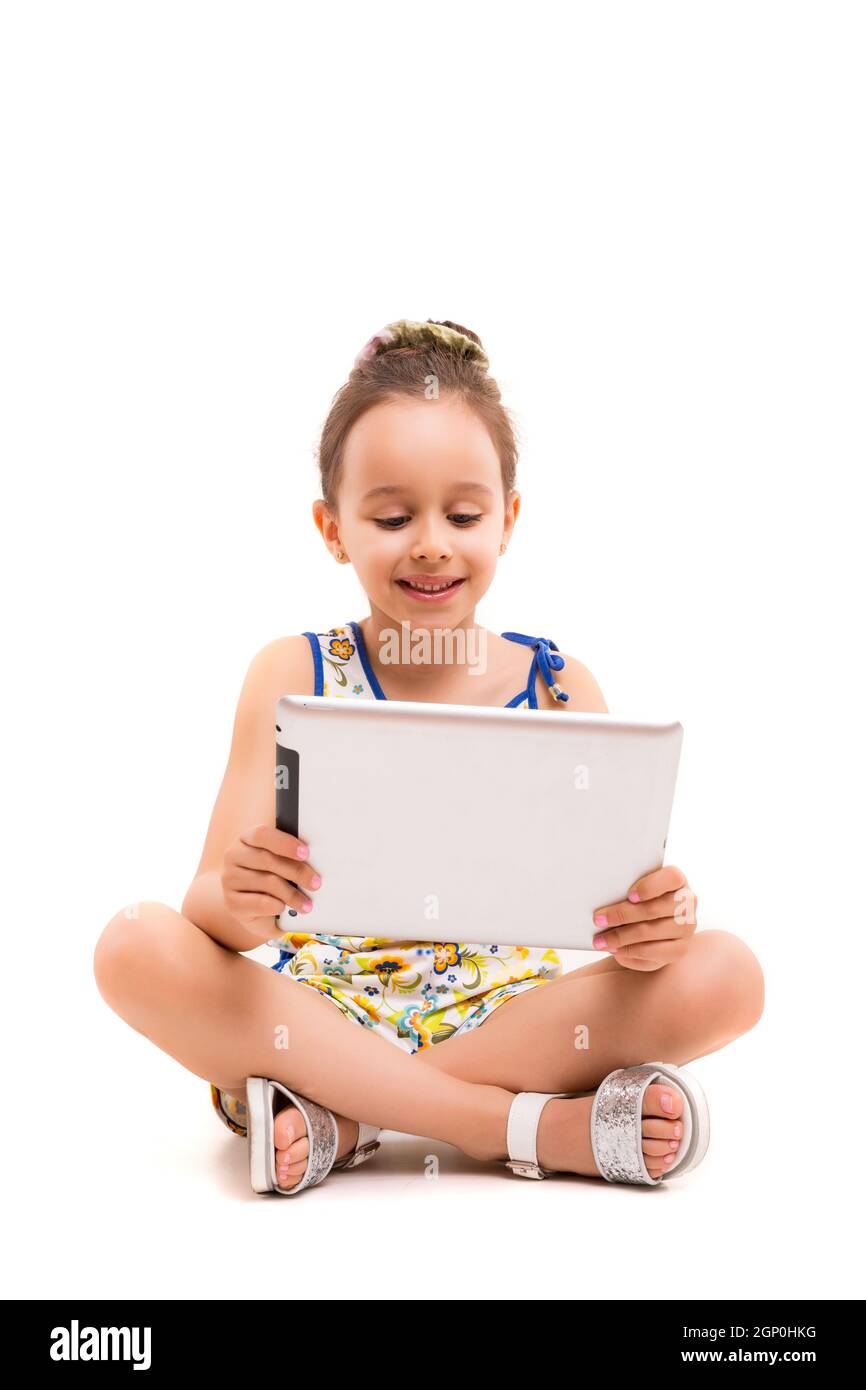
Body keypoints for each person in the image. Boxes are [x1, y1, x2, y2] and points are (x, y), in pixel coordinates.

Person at [94, 318, 764, 1194]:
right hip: (320, 1015)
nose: (432, 543)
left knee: (728, 972)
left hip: (512, 1018)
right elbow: (207, 907)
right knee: (133, 946)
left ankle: (351, 1115)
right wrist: (248, 900)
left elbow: (613, 911)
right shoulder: (293, 672)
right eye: (393, 515)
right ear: (334, 528)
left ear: (507, 521)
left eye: (463, 514)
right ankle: (525, 1127)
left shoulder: (562, 686)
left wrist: (654, 929)